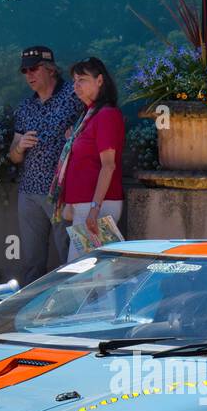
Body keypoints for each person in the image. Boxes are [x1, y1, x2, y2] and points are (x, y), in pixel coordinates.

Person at [7, 45, 82, 285]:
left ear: (50, 69)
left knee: (70, 256)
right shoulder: (25, 107)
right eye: (25, 71)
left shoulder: (73, 95)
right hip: (29, 191)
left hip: (62, 191)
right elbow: (13, 156)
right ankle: (31, 311)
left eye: (34, 69)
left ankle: (70, 308)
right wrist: (19, 147)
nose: (29, 75)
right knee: (32, 260)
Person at [49, 57, 125, 262]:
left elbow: (108, 166)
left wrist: (94, 208)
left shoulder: (106, 115)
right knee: (91, 275)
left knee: (94, 275)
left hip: (97, 206)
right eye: (74, 80)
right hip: (85, 207)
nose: (76, 86)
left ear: (99, 80)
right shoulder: (88, 116)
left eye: (82, 79)